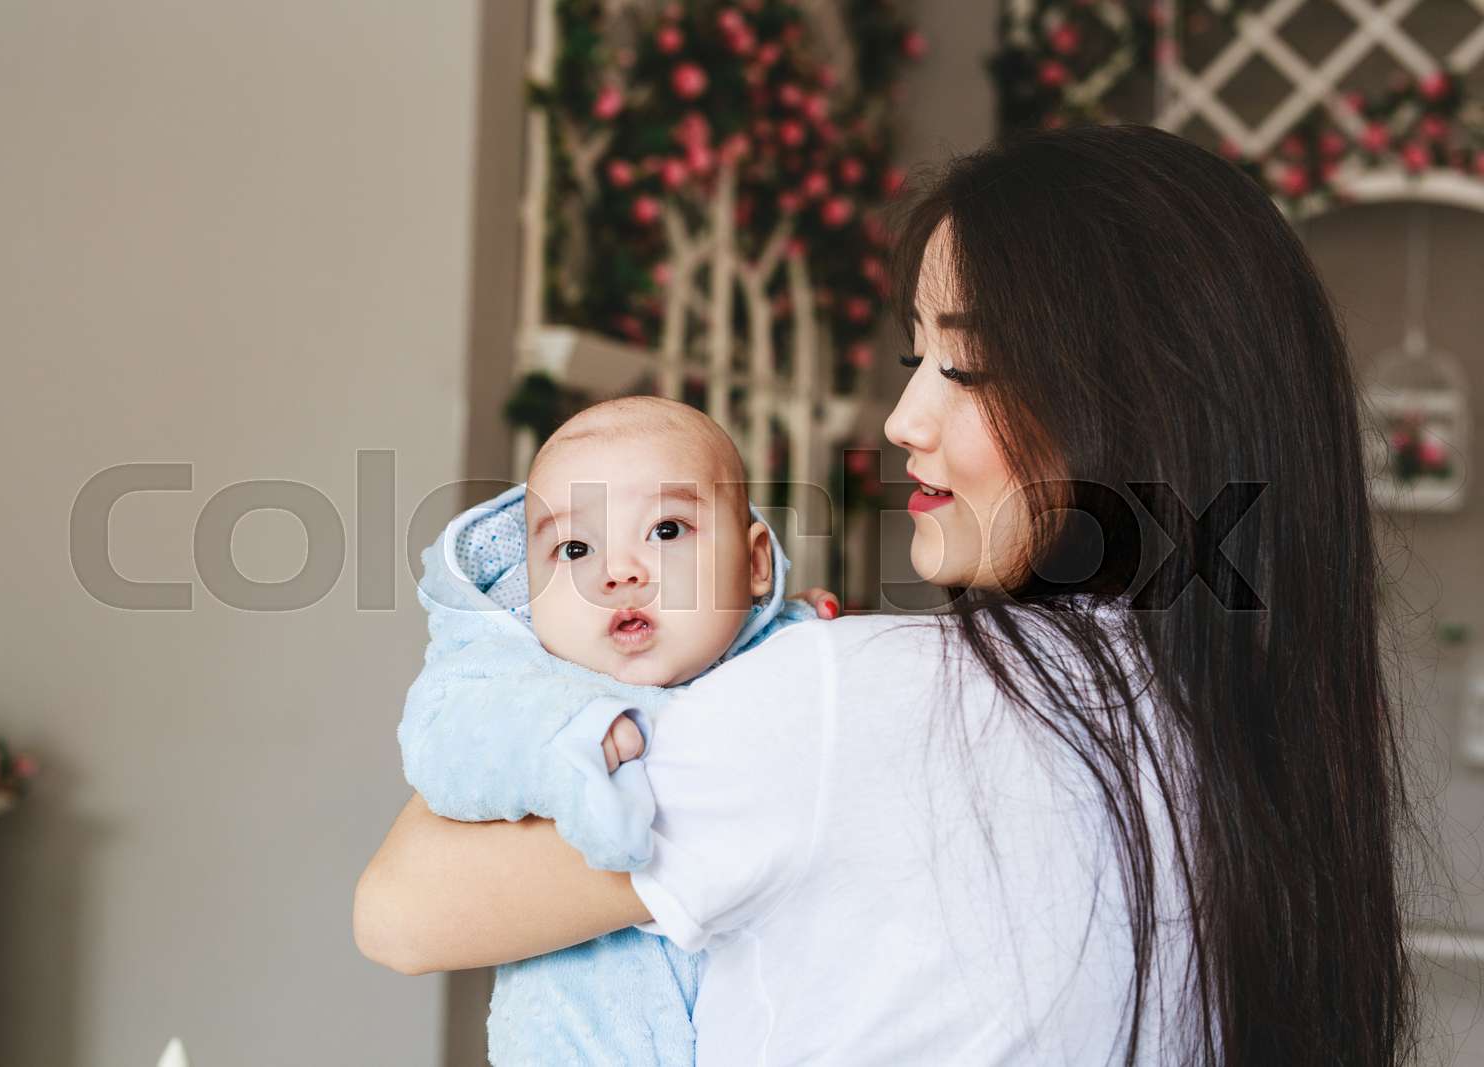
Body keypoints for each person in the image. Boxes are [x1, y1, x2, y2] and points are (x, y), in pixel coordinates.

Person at [356, 123, 1420, 1065]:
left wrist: (509, 645)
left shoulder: (855, 700)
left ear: (1135, 402)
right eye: (918, 356)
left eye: (968, 367)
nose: (905, 417)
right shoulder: (1244, 738)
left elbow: (402, 911)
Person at [395, 395, 822, 1065]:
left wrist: (818, 643)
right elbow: (445, 736)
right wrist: (564, 739)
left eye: (666, 529)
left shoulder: (802, 670)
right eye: (574, 547)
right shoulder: (519, 682)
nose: (618, 571)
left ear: (755, 562)